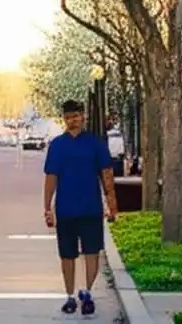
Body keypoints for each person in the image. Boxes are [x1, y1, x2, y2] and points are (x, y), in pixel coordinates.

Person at [44, 100, 117, 317]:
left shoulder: (95, 144)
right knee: (67, 254)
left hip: (91, 207)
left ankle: (87, 291)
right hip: (65, 208)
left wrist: (112, 205)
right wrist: (47, 207)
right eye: (68, 117)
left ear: (83, 116)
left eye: (75, 116)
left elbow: (106, 175)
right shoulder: (57, 145)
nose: (72, 121)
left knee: (91, 251)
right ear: (64, 119)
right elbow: (51, 177)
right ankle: (69, 295)